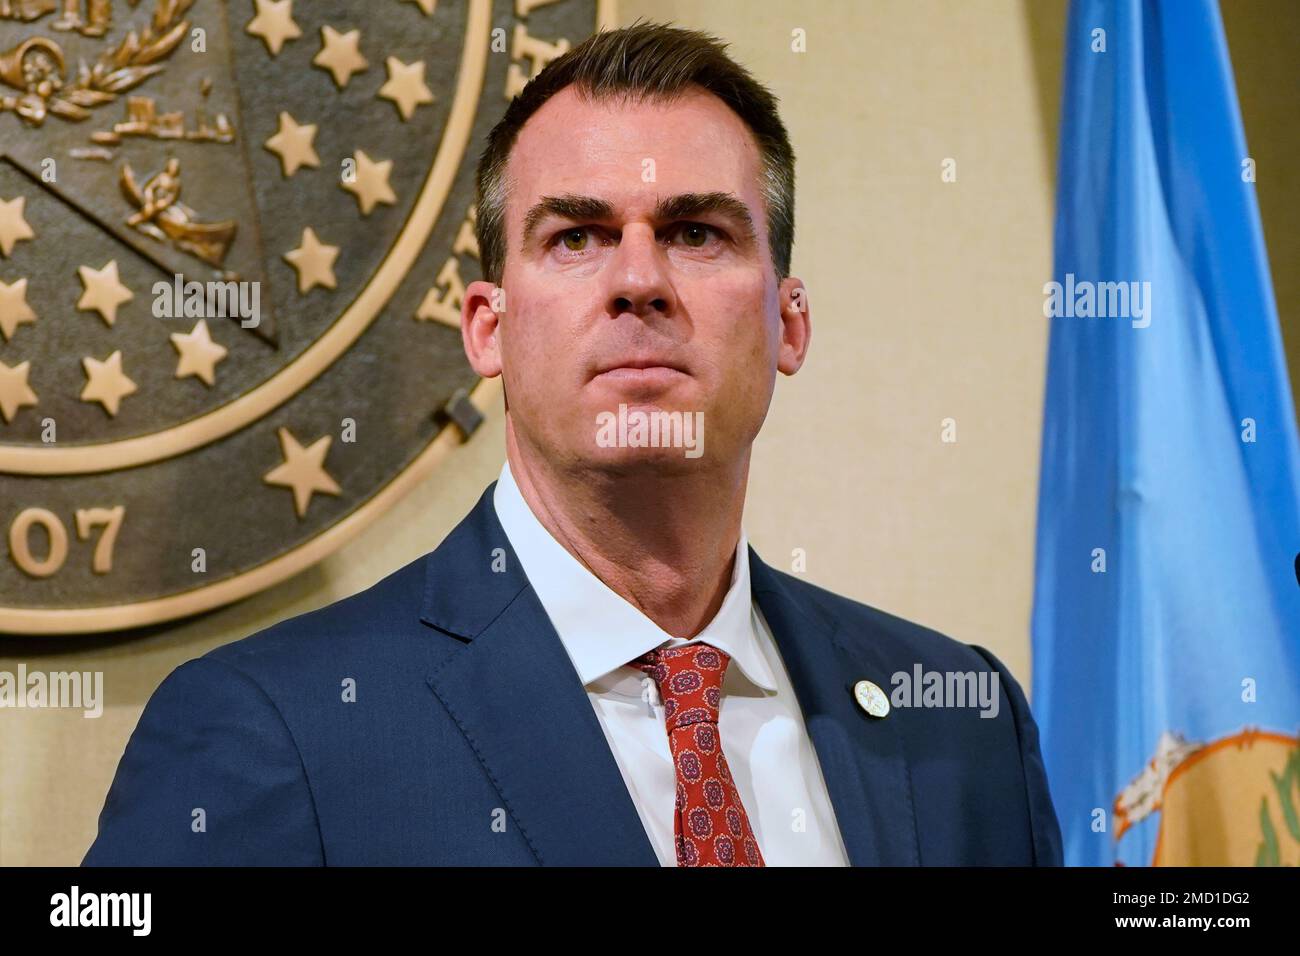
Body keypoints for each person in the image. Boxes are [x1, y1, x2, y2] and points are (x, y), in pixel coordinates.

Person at [83, 20, 1062, 867]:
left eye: (696, 232)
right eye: (576, 238)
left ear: (789, 323)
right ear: (486, 327)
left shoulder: (961, 720)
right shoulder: (268, 725)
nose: (638, 279)